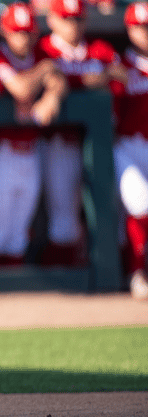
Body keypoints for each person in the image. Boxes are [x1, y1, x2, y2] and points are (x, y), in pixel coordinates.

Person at [0, 2, 68, 267]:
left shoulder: (39, 56)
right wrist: (46, 70)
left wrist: (52, 95)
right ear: (4, 31)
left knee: (18, 234)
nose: (22, 37)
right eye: (16, 31)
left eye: (28, 32)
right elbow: (21, 88)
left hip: (29, 151)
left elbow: (59, 82)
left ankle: (12, 303)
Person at [37, 0, 124, 266]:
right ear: (51, 20)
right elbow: (42, 80)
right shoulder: (44, 50)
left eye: (77, 19)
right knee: (64, 221)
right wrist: (87, 80)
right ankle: (68, 277)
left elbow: (122, 78)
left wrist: (101, 76)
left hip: (101, 144)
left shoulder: (100, 50)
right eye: (65, 18)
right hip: (59, 144)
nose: (72, 25)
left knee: (112, 212)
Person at [115, 1, 148, 300]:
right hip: (127, 145)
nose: (145, 32)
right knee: (139, 202)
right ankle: (137, 273)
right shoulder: (119, 65)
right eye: (140, 27)